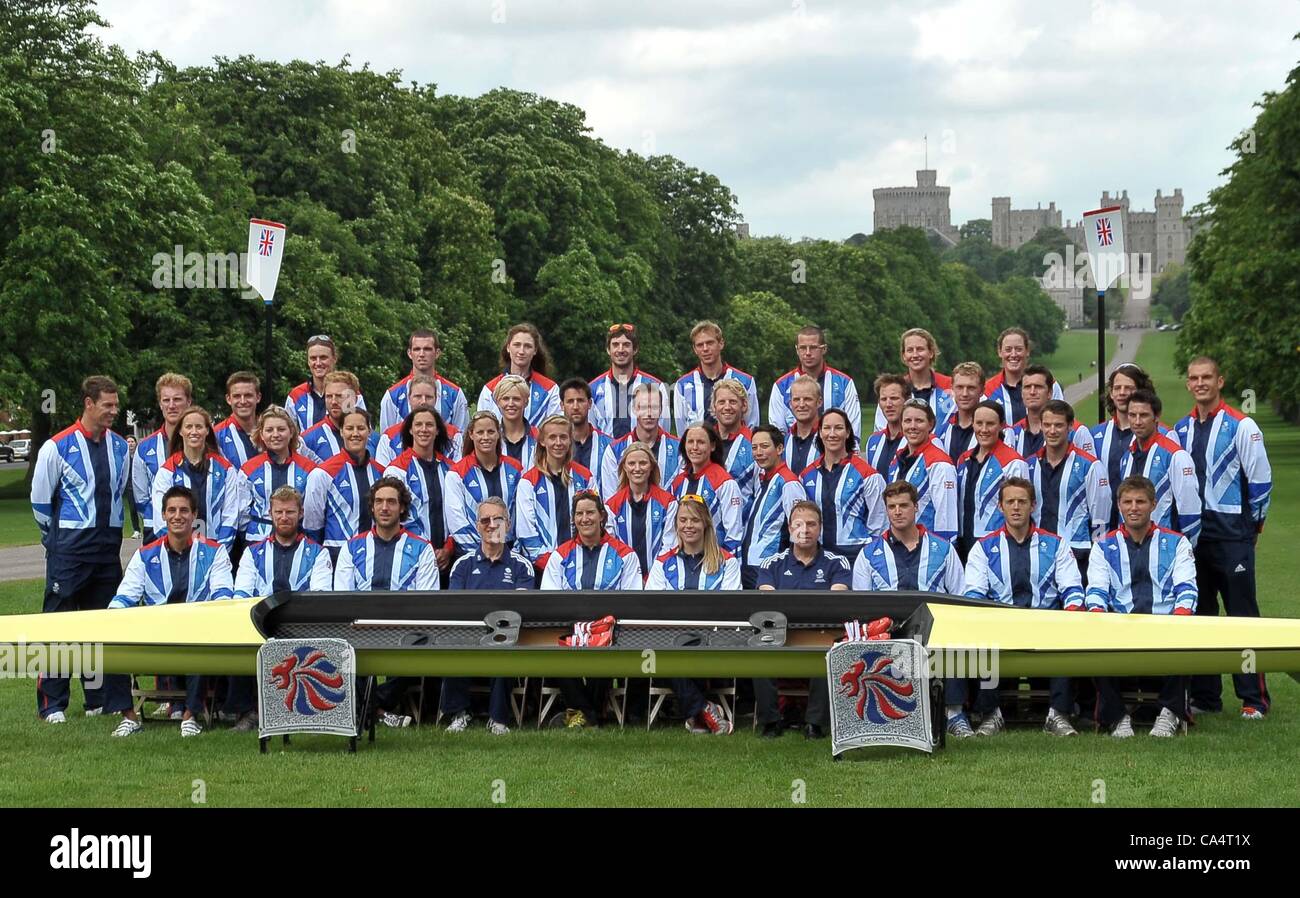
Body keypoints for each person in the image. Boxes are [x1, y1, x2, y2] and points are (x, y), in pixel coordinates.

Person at [31, 375, 133, 724]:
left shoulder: (120, 447)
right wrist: (56, 543)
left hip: (107, 552)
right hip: (70, 552)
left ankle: (97, 699)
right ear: (88, 404)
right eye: (107, 405)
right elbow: (40, 502)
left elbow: (119, 492)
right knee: (59, 627)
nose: (113, 411)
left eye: (115, 405)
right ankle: (52, 704)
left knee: (101, 626)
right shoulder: (56, 446)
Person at [1175, 356, 1273, 719]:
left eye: (1207, 378)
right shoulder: (1181, 429)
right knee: (1200, 615)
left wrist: (1253, 528)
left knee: (1241, 616)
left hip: (1232, 536)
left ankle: (1253, 698)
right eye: (1194, 378)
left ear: (1220, 381)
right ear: (1188, 384)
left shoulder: (1242, 425)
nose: (1200, 383)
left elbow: (1261, 482)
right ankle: (1205, 697)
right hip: (1194, 538)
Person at [954, 478, 1084, 738]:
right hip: (1001, 627)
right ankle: (991, 714)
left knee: (1068, 630)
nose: (1016, 507)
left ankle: (1058, 714)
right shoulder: (984, 548)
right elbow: (974, 595)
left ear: (1032, 505)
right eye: (1010, 502)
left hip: (1046, 625)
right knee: (980, 635)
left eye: (1022, 502)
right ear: (1000, 506)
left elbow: (1072, 590)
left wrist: (1070, 616)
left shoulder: (1056, 544)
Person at [107, 486, 235, 738]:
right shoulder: (144, 555)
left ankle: (190, 716)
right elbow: (125, 595)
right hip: (155, 636)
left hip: (196, 633)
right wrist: (112, 618)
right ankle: (129, 717)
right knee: (108, 645)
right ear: (163, 515)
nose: (178, 516)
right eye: (172, 510)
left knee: (202, 638)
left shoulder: (213, 552)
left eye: (184, 510)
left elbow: (223, 594)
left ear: (194, 515)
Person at [1086, 476, 1198, 738]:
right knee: (1091, 641)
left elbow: (1187, 590)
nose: (1134, 507)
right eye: (1127, 502)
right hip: (1119, 630)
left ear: (1153, 505)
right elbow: (1096, 593)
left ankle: (1170, 713)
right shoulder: (1103, 546)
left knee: (1187, 635)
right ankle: (1116, 717)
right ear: (1119, 506)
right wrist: (1100, 621)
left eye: (1140, 502)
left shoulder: (1177, 543)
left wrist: (1176, 621)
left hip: (1165, 627)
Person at [332, 477, 439, 729]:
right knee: (344, 652)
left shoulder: (421, 549)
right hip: (359, 629)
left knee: (418, 651)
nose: (384, 507)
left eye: (391, 502)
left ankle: (364, 709)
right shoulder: (352, 547)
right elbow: (341, 597)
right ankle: (376, 712)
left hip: (404, 630)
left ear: (402, 507)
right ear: (372, 507)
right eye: (379, 501)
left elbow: (427, 599)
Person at [230, 485, 333, 731]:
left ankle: (302, 712)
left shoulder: (318, 554)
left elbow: (319, 597)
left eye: (289, 512)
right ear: (270, 514)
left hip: (302, 625)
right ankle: (247, 713)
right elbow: (242, 594)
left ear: (300, 514)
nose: (284, 517)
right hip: (259, 625)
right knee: (237, 638)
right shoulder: (252, 554)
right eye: (279, 512)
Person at [540, 491, 642, 728]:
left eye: (590, 512)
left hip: (609, 631)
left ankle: (583, 715)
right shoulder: (560, 555)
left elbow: (632, 599)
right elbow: (549, 597)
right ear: (573, 519)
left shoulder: (625, 555)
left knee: (602, 647)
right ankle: (591, 715)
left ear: (602, 516)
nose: (585, 518)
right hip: (568, 630)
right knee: (553, 651)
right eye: (579, 514)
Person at [755, 501, 852, 739]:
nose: (805, 530)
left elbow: (835, 606)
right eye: (799, 524)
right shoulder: (772, 564)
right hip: (781, 632)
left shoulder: (837, 563)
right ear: (789, 528)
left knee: (830, 649)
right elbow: (768, 607)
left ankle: (815, 724)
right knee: (758, 649)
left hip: (821, 632)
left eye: (811, 524)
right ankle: (770, 721)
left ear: (820, 528)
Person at [646, 496, 741, 736]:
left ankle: (696, 711)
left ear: (706, 524)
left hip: (714, 637)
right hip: (671, 637)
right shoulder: (662, 562)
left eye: (695, 520)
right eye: (683, 520)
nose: (688, 525)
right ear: (676, 524)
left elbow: (729, 607)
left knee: (679, 651)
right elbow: (653, 606)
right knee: (667, 652)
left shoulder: (727, 562)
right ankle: (704, 709)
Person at [443, 496, 534, 736]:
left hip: (506, 634)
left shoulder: (521, 565)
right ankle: (459, 713)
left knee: (504, 644)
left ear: (509, 524)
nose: (492, 525)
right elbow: (454, 608)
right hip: (469, 633)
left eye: (498, 519)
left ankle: (498, 719)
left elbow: (521, 610)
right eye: (485, 520)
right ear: (477, 525)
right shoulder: (462, 565)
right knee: (452, 643)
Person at [1026, 400, 1108, 579]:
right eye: (1047, 425)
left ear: (1070, 426)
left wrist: (1098, 553)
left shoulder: (1090, 466)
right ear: (1040, 426)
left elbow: (1100, 517)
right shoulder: (1030, 465)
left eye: (1058, 425)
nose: (1052, 431)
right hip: (1038, 549)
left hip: (1077, 550)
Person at [151, 406, 249, 552]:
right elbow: (161, 518)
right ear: (180, 431)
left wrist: (218, 553)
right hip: (179, 553)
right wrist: (179, 551)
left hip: (218, 552)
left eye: (199, 427)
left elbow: (231, 515)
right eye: (189, 427)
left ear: (207, 430)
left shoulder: (225, 470)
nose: (194, 432)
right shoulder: (167, 471)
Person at [798, 408, 884, 565]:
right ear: (820, 432)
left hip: (856, 556)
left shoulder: (868, 474)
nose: (832, 434)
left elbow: (879, 523)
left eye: (838, 428)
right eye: (826, 428)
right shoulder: (806, 476)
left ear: (848, 432)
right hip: (819, 557)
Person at [302, 408, 387, 563]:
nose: (355, 433)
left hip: (376, 552)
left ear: (369, 432)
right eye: (349, 428)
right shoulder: (322, 474)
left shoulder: (381, 473)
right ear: (341, 431)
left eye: (361, 428)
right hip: (336, 553)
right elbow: (313, 524)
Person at [1121, 389, 1201, 546]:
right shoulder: (1127, 457)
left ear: (1156, 417)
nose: (1137, 422)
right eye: (1132, 415)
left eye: (1143, 415)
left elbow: (1190, 509)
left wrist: (1185, 549)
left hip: (1166, 547)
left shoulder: (1176, 456)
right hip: (1133, 547)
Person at [382, 408, 456, 578]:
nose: (424, 429)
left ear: (437, 430)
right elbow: (401, 516)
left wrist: (448, 548)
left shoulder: (451, 469)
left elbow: (457, 511)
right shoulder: (396, 470)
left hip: (447, 557)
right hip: (411, 554)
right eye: (418, 425)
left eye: (429, 425)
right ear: (410, 429)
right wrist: (427, 548)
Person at [852, 482, 964, 593]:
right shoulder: (867, 555)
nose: (897, 512)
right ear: (886, 510)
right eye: (891, 507)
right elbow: (861, 605)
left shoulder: (944, 550)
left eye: (903, 505)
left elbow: (960, 595)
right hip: (887, 611)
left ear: (916, 507)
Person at [516, 415, 596, 565]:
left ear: (570, 440)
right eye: (552, 437)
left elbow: (595, 520)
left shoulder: (585, 477)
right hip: (543, 567)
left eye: (563, 437)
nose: (558, 443)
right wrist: (552, 564)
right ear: (542, 441)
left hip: (582, 563)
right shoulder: (528, 482)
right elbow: (526, 531)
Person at [955, 400, 1028, 562]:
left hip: (996, 544)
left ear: (1001, 426)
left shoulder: (1013, 463)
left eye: (990, 424)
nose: (984, 429)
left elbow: (1023, 508)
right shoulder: (964, 459)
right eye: (979, 423)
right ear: (972, 424)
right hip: (963, 541)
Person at [1090, 363, 1162, 523]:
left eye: (1129, 388)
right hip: (1105, 524)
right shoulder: (1095, 435)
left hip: (1146, 525)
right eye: (1117, 388)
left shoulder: (1163, 435)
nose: (1122, 393)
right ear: (1111, 392)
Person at [444, 411, 524, 552]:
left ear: (499, 434)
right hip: (472, 554)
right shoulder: (456, 473)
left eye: (491, 432)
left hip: (510, 552)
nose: (485, 437)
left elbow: (521, 515)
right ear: (471, 434)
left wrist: (511, 553)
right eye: (480, 432)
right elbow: (456, 520)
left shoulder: (516, 469)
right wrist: (484, 552)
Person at [240, 406, 317, 544]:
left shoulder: (309, 469)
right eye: (269, 430)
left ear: (291, 432)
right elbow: (241, 513)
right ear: (262, 435)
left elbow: (313, 511)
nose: (275, 435)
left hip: (298, 540)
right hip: (257, 541)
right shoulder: (248, 469)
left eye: (281, 429)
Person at [742, 425, 806, 590]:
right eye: (754, 447)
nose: (758, 452)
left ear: (779, 448)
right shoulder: (764, 477)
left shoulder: (788, 483)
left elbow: (800, 530)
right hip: (751, 563)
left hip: (770, 565)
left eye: (764, 446)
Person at [769, 325, 861, 438]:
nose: (807, 353)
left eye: (813, 347)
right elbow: (777, 432)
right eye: (803, 348)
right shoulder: (781, 386)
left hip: (834, 454)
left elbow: (853, 429)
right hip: (795, 453)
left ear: (824, 349)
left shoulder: (844, 383)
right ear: (797, 350)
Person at [604, 442, 678, 580]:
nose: (637, 468)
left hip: (659, 579)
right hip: (624, 578)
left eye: (643, 463)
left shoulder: (668, 503)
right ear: (624, 467)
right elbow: (612, 546)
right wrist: (630, 577)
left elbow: (669, 545)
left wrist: (653, 579)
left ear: (651, 467)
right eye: (632, 463)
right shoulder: (612, 505)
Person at [888, 399, 959, 542]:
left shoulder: (939, 463)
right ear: (901, 424)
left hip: (927, 546)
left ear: (930, 424)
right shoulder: (896, 461)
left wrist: (941, 550)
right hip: (900, 544)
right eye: (907, 421)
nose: (912, 426)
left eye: (919, 421)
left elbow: (946, 516)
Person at [132, 372, 192, 542]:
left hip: (195, 527)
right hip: (155, 529)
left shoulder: (203, 445)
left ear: (188, 402)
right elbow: (141, 496)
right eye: (166, 400)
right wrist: (159, 518)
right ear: (160, 403)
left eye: (177, 399)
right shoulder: (145, 447)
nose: (171, 405)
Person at [672, 320, 760, 433]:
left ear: (721, 343)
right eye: (700, 345)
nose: (705, 349)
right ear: (695, 349)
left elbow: (752, 424)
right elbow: (682, 431)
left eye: (710, 343)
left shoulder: (745, 381)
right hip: (699, 448)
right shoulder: (682, 385)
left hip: (735, 447)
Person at [671, 422, 744, 554]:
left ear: (712, 446)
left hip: (714, 562)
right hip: (684, 562)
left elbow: (734, 534)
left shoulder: (725, 482)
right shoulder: (678, 482)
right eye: (690, 442)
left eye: (701, 442)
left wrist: (725, 566)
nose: (694, 447)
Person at [379, 328, 469, 433]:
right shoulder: (392, 396)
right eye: (417, 349)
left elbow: (462, 438)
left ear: (437, 353)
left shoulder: (455, 394)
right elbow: (387, 439)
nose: (421, 354)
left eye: (427, 349)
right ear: (409, 353)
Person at [599, 382, 681, 497]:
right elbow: (610, 501)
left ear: (661, 410)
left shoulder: (679, 449)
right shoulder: (614, 451)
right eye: (642, 407)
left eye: (654, 407)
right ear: (634, 409)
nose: (649, 413)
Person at [589, 324, 670, 438]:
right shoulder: (593, 388)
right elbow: (591, 433)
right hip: (606, 455)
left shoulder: (655, 386)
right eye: (615, 345)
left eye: (626, 345)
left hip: (643, 454)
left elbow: (662, 431)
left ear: (635, 349)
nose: (621, 350)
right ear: (608, 349)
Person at [872, 328, 955, 440]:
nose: (915, 355)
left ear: (931, 353)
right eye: (910, 350)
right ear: (904, 356)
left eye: (920, 349)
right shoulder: (893, 390)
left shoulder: (951, 386)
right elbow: (882, 430)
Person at [476, 323, 561, 429]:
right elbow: (481, 429)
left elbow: (557, 429)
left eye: (528, 346)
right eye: (517, 345)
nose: (521, 351)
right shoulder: (489, 390)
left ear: (535, 350)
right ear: (508, 347)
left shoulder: (550, 390)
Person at [1004, 365, 1096, 458]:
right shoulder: (1012, 433)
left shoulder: (1077, 432)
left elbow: (1090, 468)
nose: (1032, 392)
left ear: (1049, 393)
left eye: (1038, 387)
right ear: (1022, 393)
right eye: (1027, 387)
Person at [284, 334, 367, 432]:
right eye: (313, 358)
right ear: (308, 361)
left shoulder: (350, 392)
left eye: (323, 358)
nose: (318, 363)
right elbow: (288, 435)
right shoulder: (296, 396)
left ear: (334, 359)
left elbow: (362, 430)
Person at [375, 374, 462, 467]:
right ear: (409, 398)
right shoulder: (389, 438)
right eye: (418, 396)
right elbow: (382, 474)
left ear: (436, 399)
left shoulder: (454, 436)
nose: (423, 401)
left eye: (428, 397)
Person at [982, 327, 1064, 425]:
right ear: (1000, 352)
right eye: (1008, 349)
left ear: (1027, 351)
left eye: (1018, 349)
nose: (1013, 354)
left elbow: (1061, 421)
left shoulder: (1049, 384)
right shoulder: (987, 390)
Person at [300, 371, 379, 464]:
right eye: (329, 396)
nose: (333, 401)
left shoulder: (374, 439)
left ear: (355, 399)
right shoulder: (307, 440)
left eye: (339, 396)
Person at [710, 379, 757, 518]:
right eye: (721, 402)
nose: (727, 407)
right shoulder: (702, 441)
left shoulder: (754, 443)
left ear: (744, 406)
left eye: (733, 402)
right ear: (714, 407)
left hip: (742, 525)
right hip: (705, 530)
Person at [559, 378, 614, 480]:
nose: (575, 407)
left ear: (589, 404)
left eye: (580, 400)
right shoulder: (556, 445)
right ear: (562, 405)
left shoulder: (609, 445)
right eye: (570, 401)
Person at [938, 361, 984, 465]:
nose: (964, 394)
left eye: (971, 388)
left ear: (981, 391)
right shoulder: (941, 431)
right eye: (959, 387)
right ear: (952, 388)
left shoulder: (990, 431)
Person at [214, 371, 262, 469]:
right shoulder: (216, 435)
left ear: (258, 397)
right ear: (228, 399)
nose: (243, 401)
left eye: (248, 395)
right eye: (237, 396)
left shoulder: (272, 431)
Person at [863, 374, 908, 472]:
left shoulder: (916, 439)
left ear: (906, 400)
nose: (888, 404)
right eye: (884, 399)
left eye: (894, 398)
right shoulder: (873, 441)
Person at [491, 375, 539, 466]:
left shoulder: (539, 437)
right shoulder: (490, 437)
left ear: (526, 402)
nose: (511, 404)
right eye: (505, 399)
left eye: (516, 399)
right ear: (498, 402)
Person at [781, 374, 822, 475]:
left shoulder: (830, 438)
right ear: (790, 404)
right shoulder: (783, 442)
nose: (802, 404)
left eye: (807, 399)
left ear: (819, 402)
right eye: (796, 399)